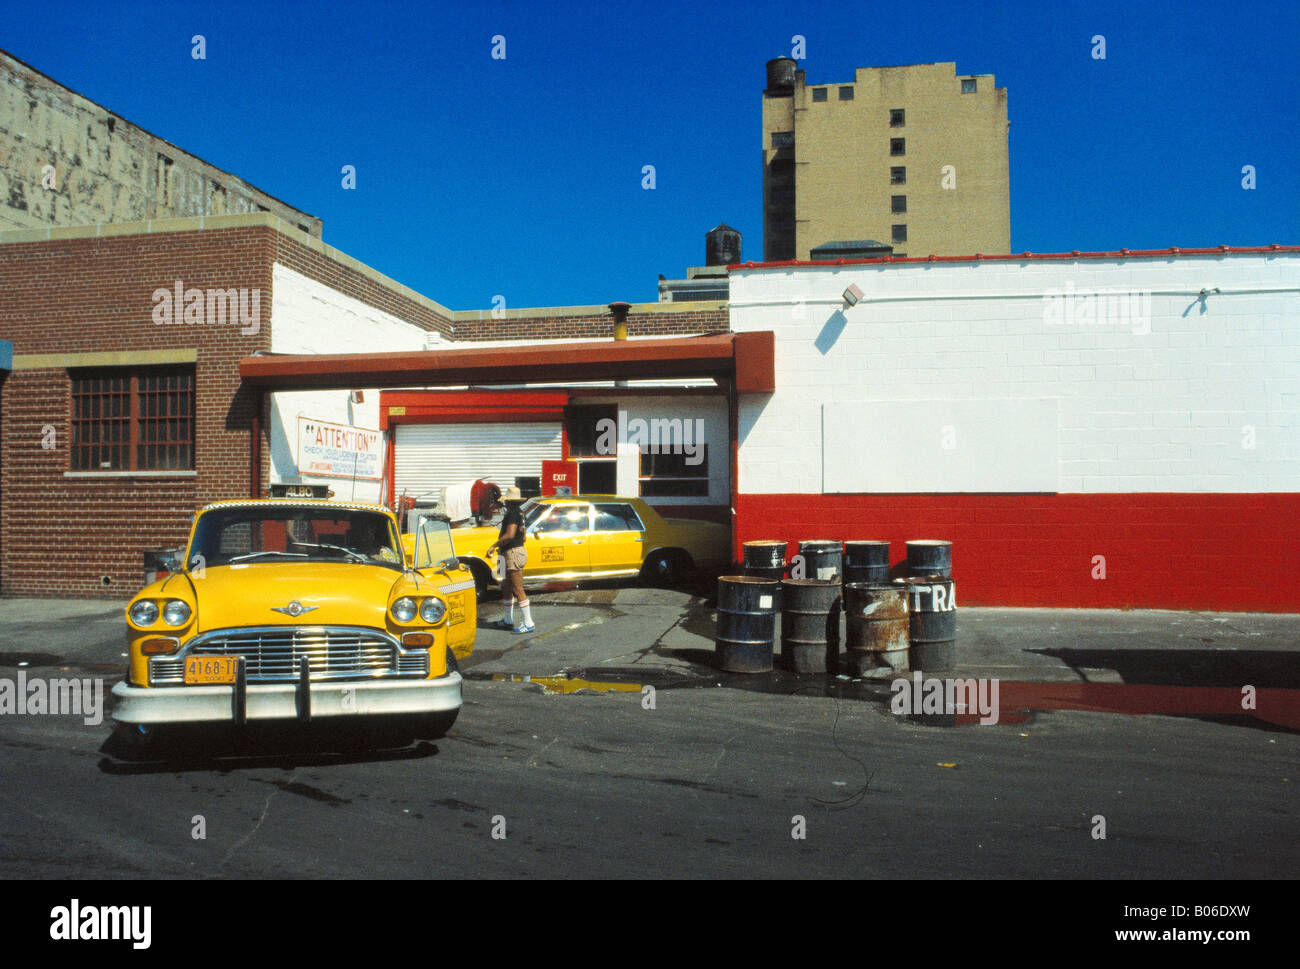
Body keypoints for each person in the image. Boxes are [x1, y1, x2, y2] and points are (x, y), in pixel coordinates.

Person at [485, 487, 533, 633]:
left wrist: (494, 545)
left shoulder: (512, 514)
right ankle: (508, 619)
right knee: (506, 587)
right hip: (508, 552)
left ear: (509, 501)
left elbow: (510, 534)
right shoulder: (520, 513)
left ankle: (528, 622)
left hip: (512, 552)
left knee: (517, 588)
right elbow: (523, 536)